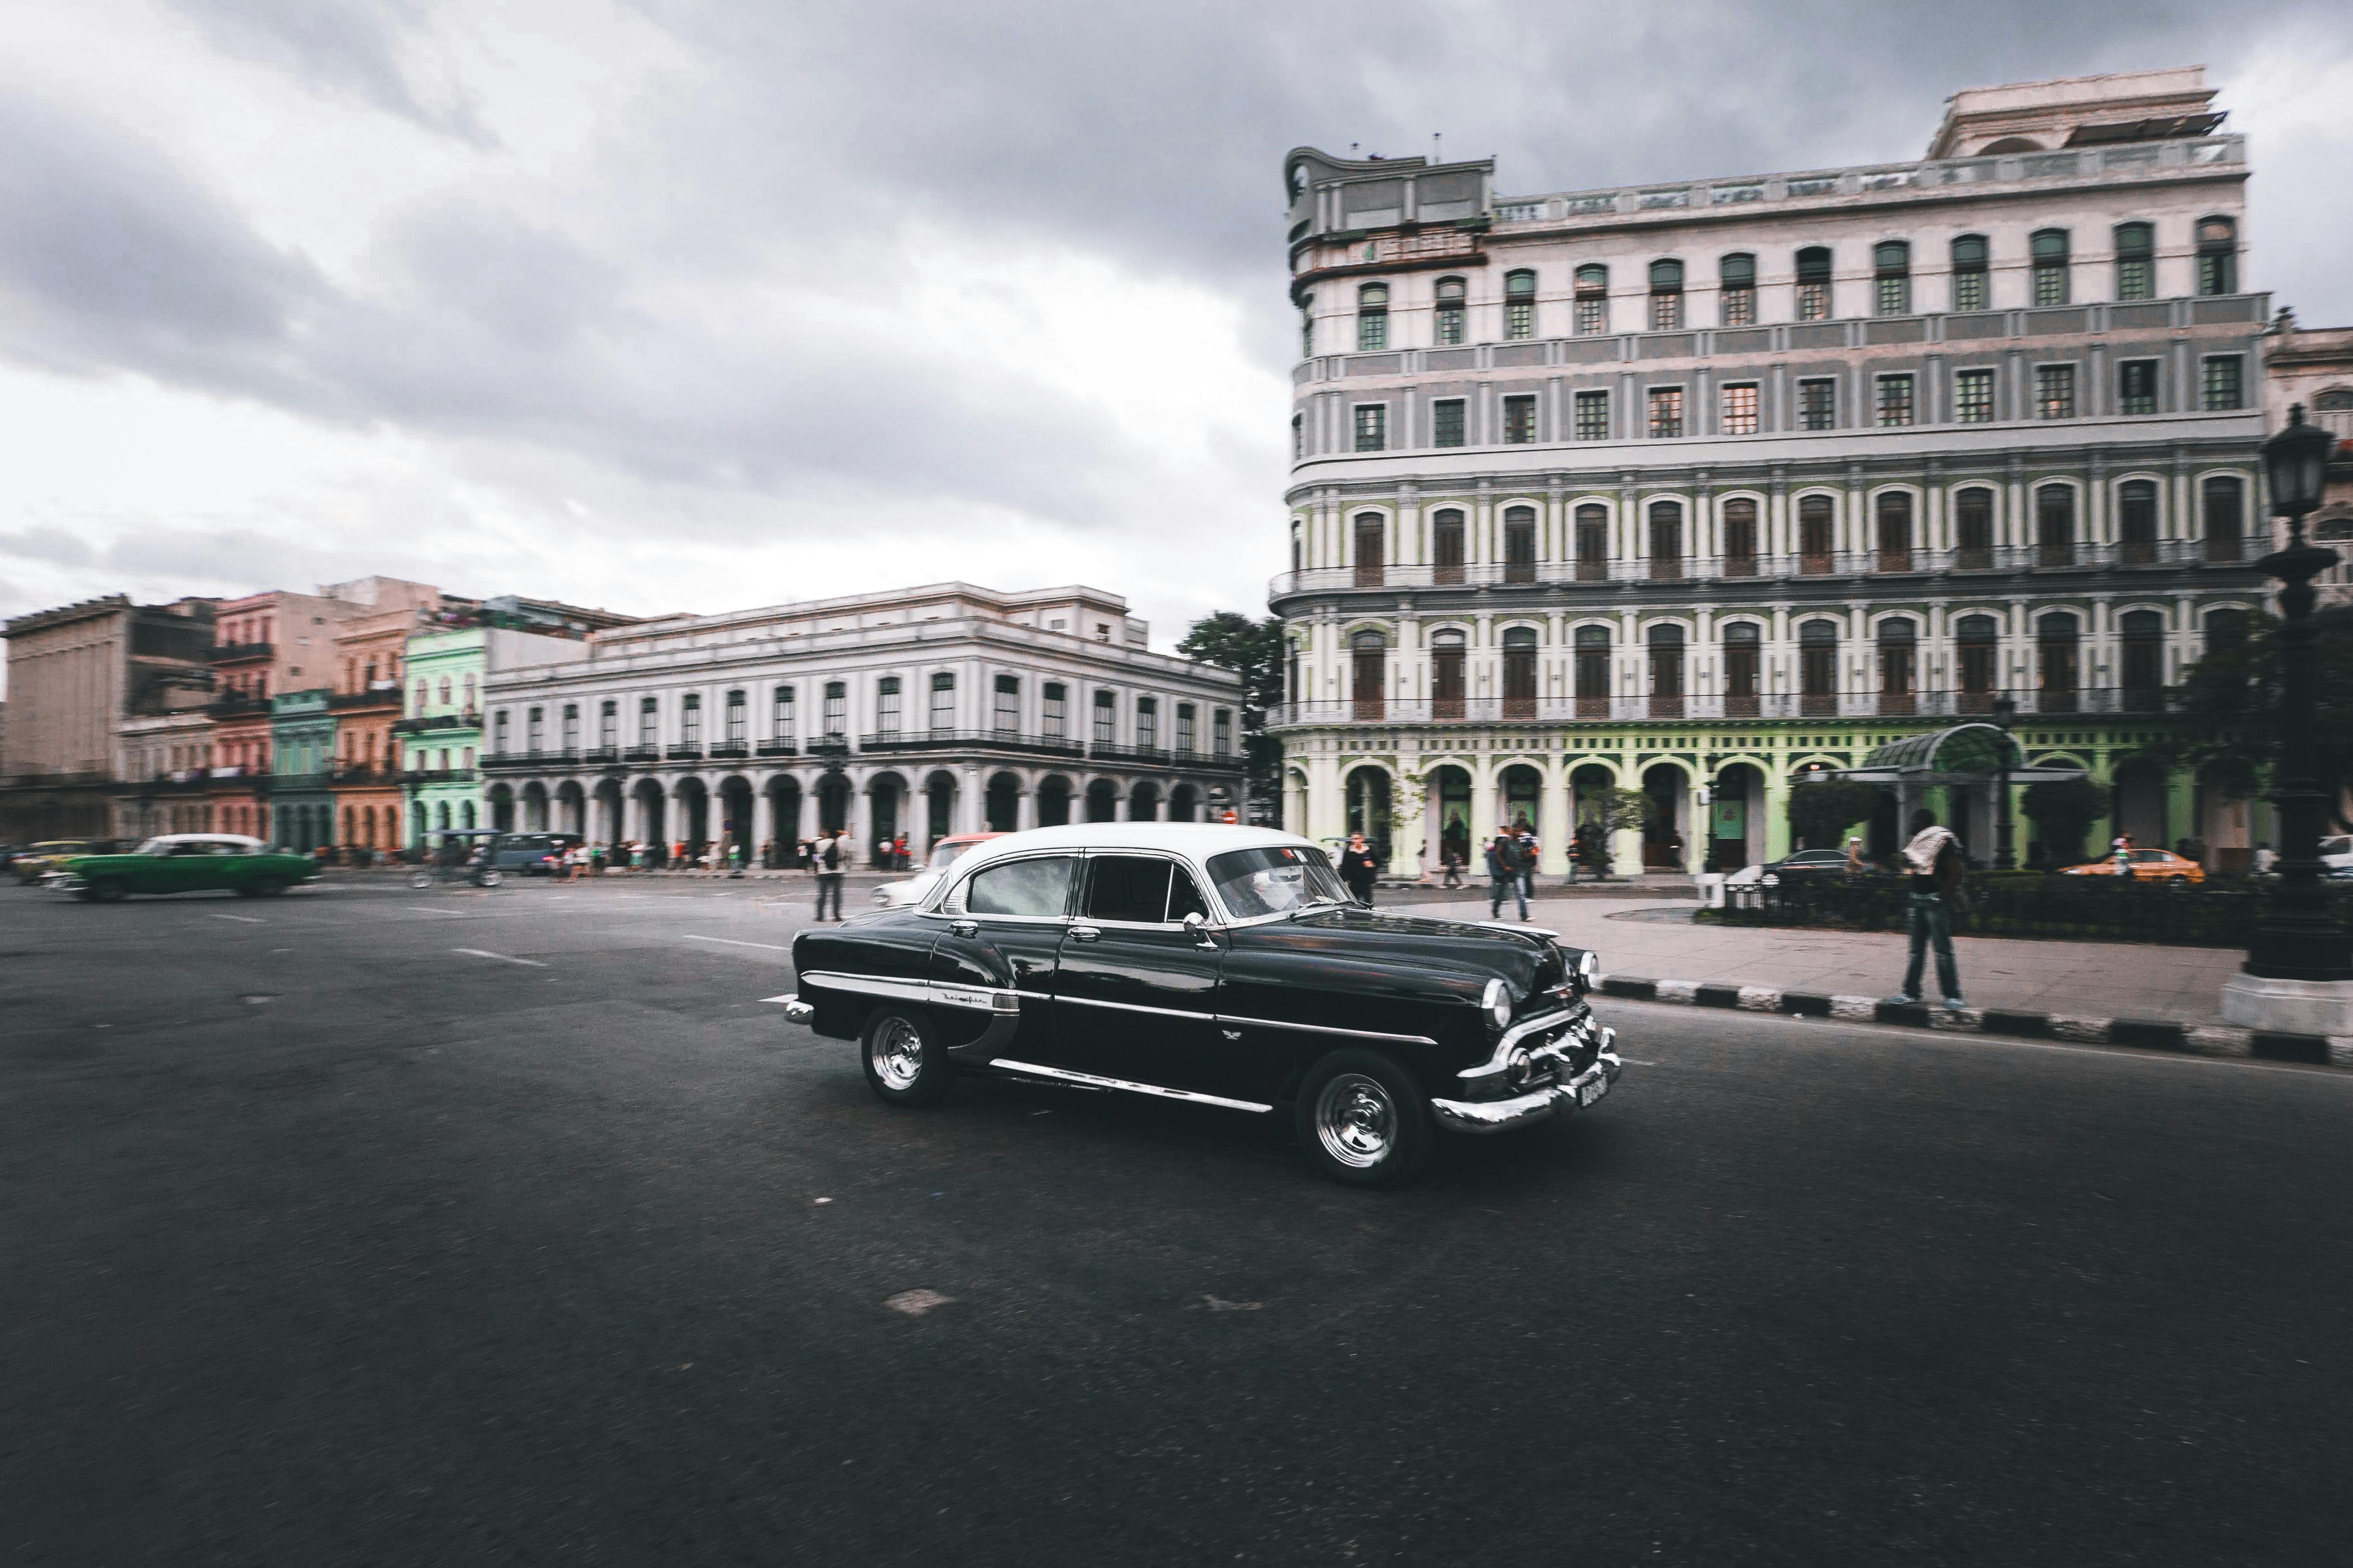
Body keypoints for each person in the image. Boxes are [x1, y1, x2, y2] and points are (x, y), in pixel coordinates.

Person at [1888, 808, 1967, 1011]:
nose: (1911, 825)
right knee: (1916, 952)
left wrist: (1941, 897)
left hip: (1935, 902)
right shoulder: (1919, 843)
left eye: (1914, 821)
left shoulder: (1943, 840)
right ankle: (1911, 993)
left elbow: (1954, 872)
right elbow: (1917, 872)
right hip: (1917, 901)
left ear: (1922, 822)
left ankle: (1953, 995)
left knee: (1942, 952)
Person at [1486, 833, 1528, 921]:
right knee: (1501, 894)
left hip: (1515, 872)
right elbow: (1494, 867)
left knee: (1520, 892)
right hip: (1504, 875)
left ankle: (1524, 915)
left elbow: (1520, 857)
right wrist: (1502, 872)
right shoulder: (1494, 853)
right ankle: (1495, 910)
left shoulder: (1512, 847)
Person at [1338, 832, 1379, 906]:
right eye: (1353, 839)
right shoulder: (1349, 851)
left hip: (1366, 882)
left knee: (1367, 903)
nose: (1354, 841)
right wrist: (1345, 879)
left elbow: (1378, 862)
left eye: (1357, 839)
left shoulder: (1368, 850)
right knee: (1354, 903)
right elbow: (1345, 866)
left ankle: (1368, 916)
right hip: (1354, 882)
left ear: (1362, 839)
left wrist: (1372, 865)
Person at [814, 829, 846, 922]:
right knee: (837, 895)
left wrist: (816, 870)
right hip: (838, 871)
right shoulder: (841, 842)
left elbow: (816, 858)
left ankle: (820, 916)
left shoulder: (819, 843)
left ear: (828, 834)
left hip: (824, 871)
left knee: (822, 894)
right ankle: (837, 916)